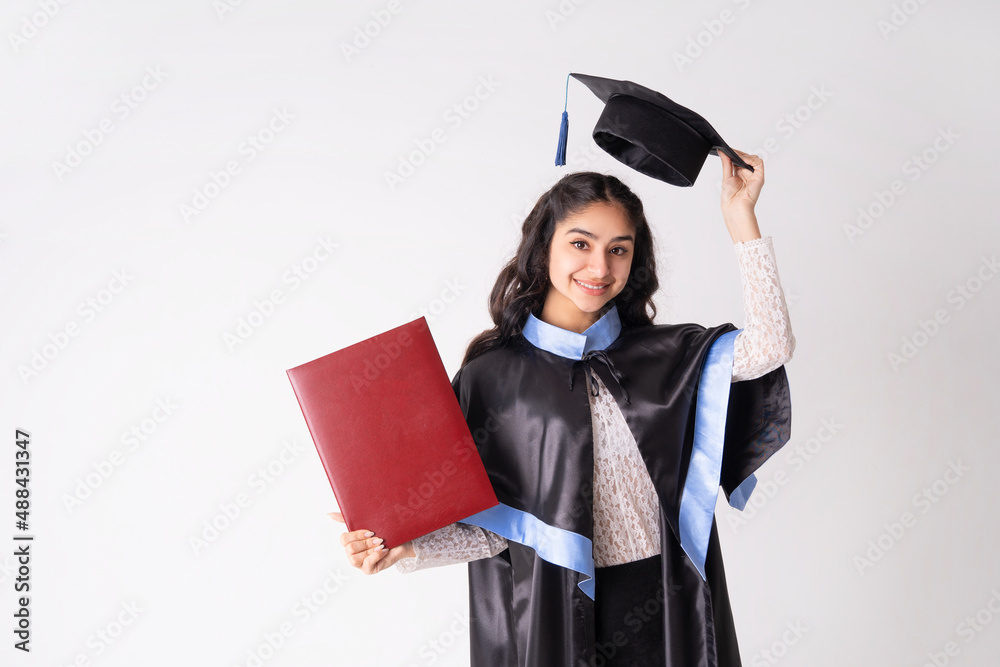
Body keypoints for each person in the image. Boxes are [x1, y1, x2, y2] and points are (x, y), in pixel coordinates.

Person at [331, 149, 794, 666]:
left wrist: (740, 216)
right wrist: (404, 549)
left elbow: (770, 346)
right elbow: (492, 530)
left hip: (667, 600)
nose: (600, 267)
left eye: (620, 249)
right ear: (542, 249)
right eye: (581, 244)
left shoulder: (667, 355)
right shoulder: (493, 377)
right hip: (558, 609)